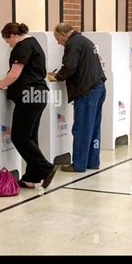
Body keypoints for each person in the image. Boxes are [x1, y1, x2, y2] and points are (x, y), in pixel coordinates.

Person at [0, 22, 57, 189]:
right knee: (30, 137)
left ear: (13, 36)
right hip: (38, 93)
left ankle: (46, 168)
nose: (9, 44)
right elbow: (23, 73)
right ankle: (31, 178)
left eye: (8, 41)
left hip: (29, 95)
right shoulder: (34, 42)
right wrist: (2, 82)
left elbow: (15, 73)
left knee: (19, 137)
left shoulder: (22, 46)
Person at [48, 23, 106, 172]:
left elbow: (70, 66)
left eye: (57, 38)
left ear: (63, 34)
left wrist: (57, 77)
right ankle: (92, 162)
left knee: (82, 128)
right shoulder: (85, 40)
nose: (58, 42)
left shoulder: (73, 43)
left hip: (87, 91)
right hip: (98, 87)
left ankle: (78, 164)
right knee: (93, 128)